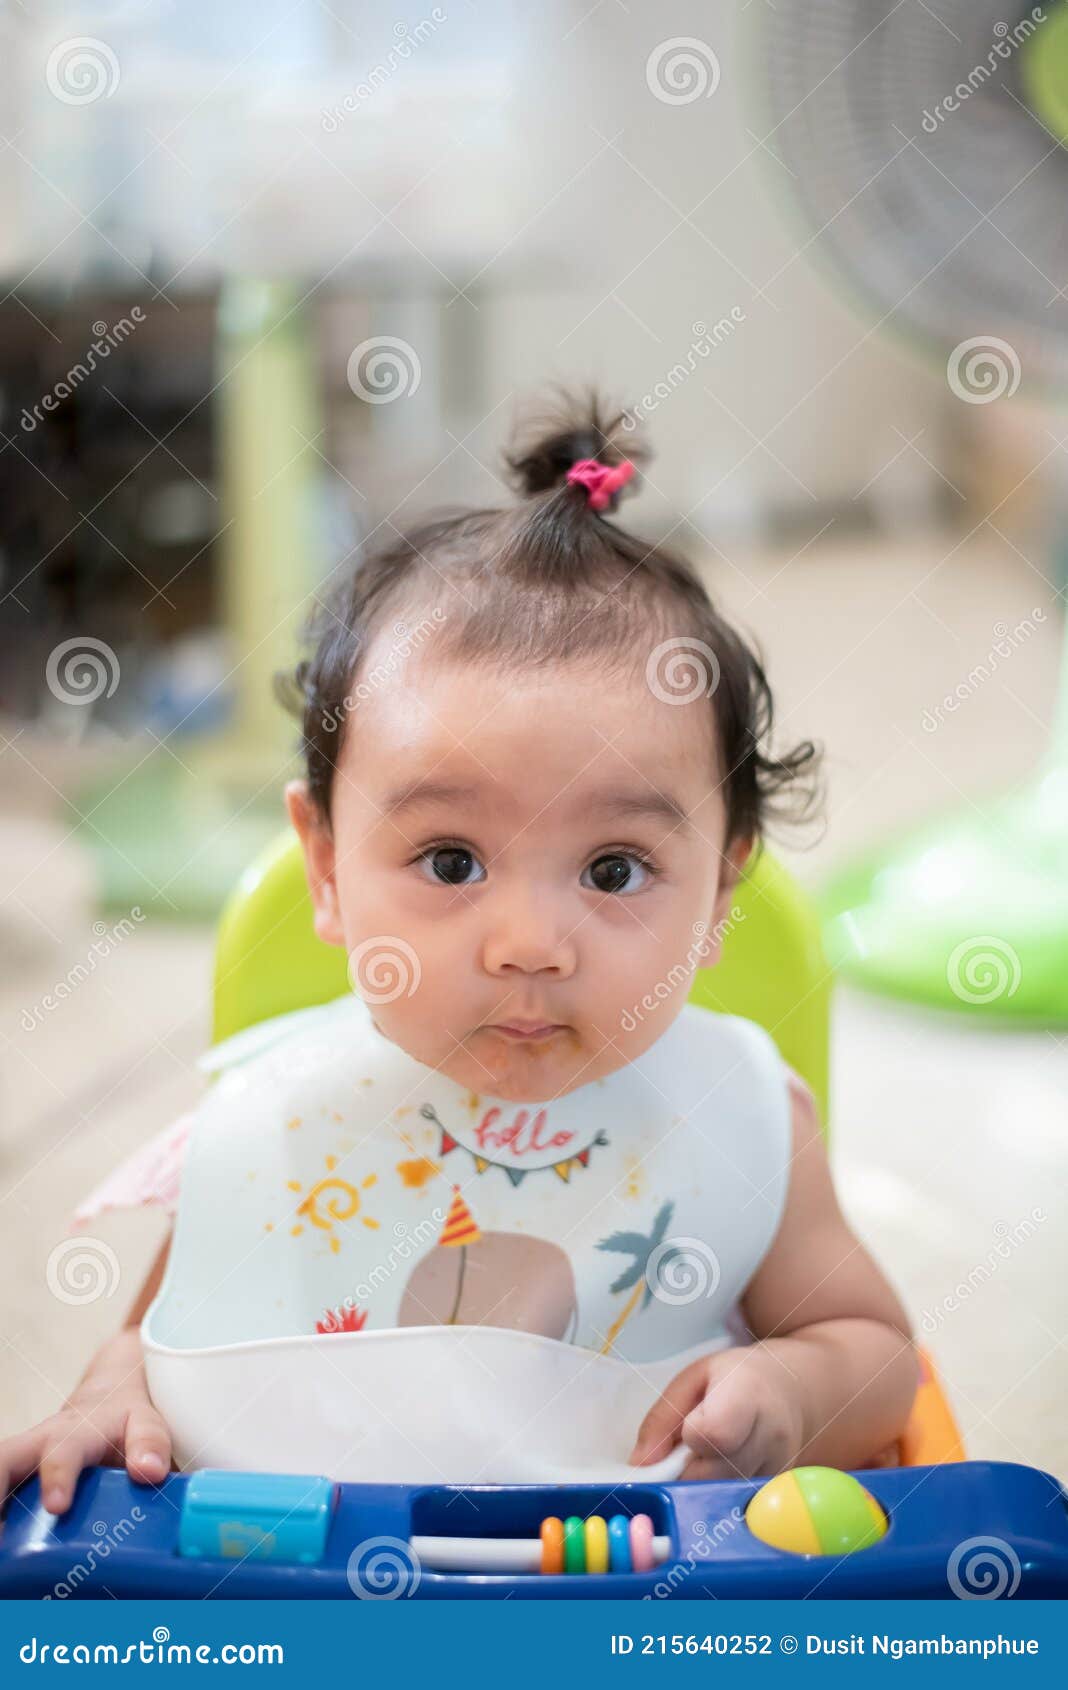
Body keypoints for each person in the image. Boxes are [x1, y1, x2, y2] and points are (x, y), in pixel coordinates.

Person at [1, 395, 916, 1514]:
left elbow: (876, 1356)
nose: (529, 945)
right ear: (326, 868)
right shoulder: (279, 1116)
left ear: (723, 888)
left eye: (614, 870)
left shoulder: (740, 1117)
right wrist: (111, 1396)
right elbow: (164, 1339)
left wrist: (790, 1390)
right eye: (449, 860)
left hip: (632, 1586)